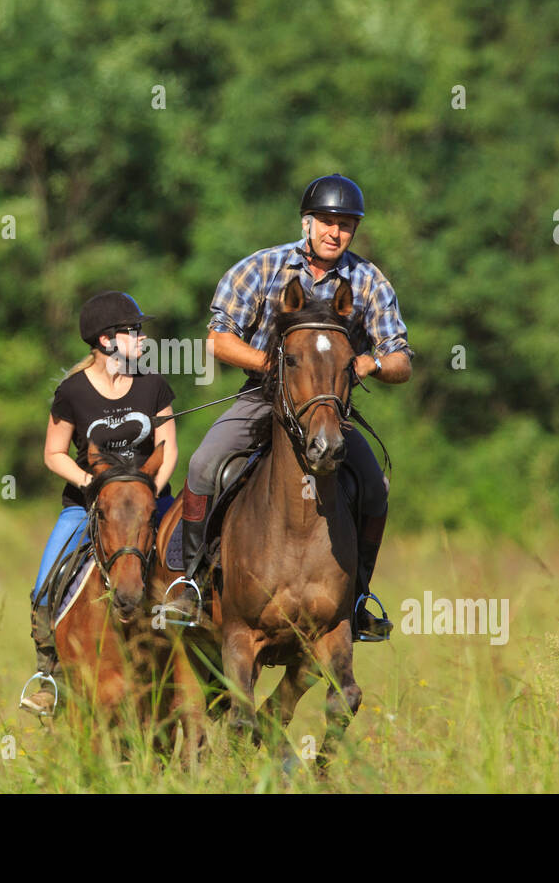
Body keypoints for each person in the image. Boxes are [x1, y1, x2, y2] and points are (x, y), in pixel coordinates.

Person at [165, 174, 412, 640]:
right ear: (307, 223)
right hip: (263, 396)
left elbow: (402, 359)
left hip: (327, 409)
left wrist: (370, 362)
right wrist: (274, 367)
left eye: (345, 225)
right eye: (326, 222)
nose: (335, 233)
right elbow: (218, 341)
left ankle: (358, 599)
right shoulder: (261, 268)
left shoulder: (369, 280)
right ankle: (189, 584)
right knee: (202, 465)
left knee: (375, 488)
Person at [21, 292, 178, 716]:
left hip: (149, 503)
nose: (143, 339)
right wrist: (92, 483)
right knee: (43, 586)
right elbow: (53, 454)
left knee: (195, 564)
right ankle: (48, 677)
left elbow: (169, 449)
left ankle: (206, 660)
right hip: (87, 505)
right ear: (108, 340)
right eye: (135, 332)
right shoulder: (71, 392)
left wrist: (148, 491)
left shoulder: (153, 384)